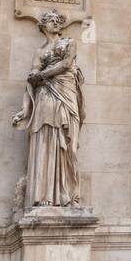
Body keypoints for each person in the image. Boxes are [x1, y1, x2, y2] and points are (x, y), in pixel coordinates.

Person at [13, 11, 85, 208]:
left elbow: (66, 63)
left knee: (68, 143)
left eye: (57, 20)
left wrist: (42, 74)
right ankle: (43, 194)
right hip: (45, 96)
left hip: (66, 94)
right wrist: (25, 110)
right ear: (43, 26)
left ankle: (67, 194)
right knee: (44, 139)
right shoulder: (40, 52)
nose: (55, 23)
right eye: (50, 20)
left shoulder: (68, 42)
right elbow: (31, 80)